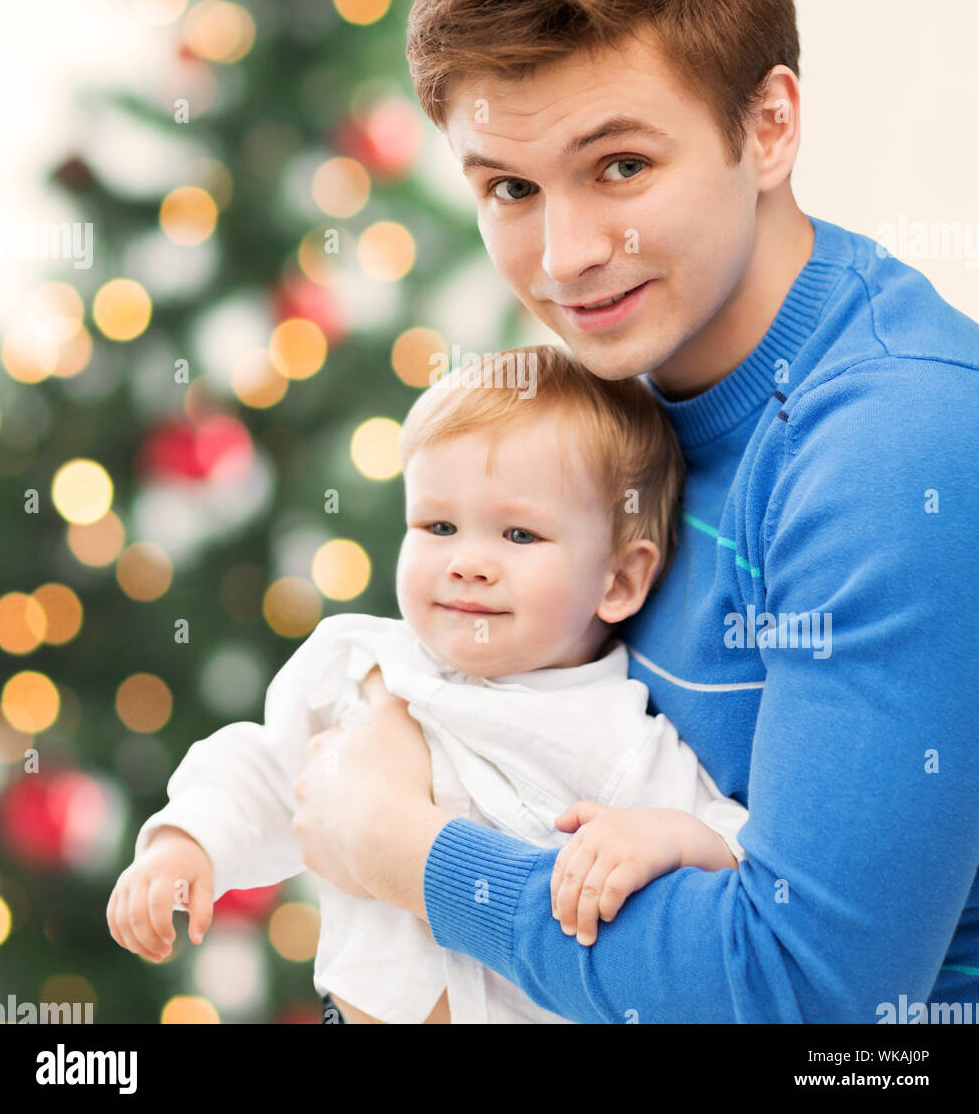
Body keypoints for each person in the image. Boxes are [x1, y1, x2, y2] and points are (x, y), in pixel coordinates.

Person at [285, 0, 979, 1024]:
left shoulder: (896, 446)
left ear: (768, 125)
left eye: (621, 166)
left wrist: (411, 853)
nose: (565, 256)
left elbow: (810, 1001)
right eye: (508, 187)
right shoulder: (606, 395)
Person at [109, 346, 751, 1024]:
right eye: (438, 526)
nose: (468, 563)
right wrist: (186, 840)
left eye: (519, 533)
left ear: (618, 580)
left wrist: (668, 838)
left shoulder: (614, 733)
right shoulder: (368, 664)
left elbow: (740, 860)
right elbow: (272, 771)